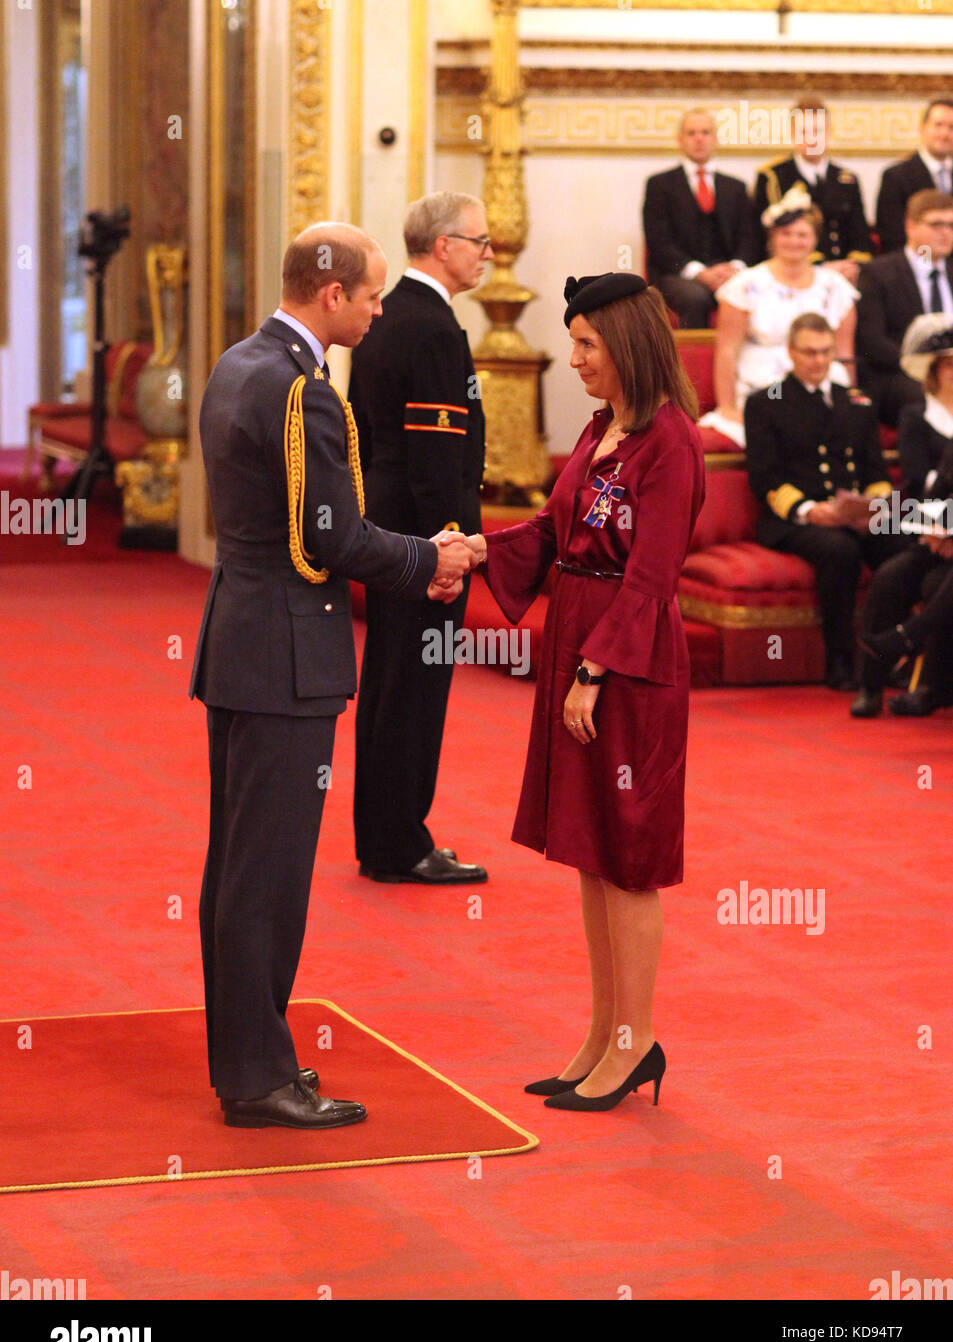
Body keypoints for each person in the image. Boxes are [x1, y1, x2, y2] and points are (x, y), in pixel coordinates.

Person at [189, 222, 472, 1128]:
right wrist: (426, 554)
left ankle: (249, 1058)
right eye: (373, 294)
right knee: (265, 874)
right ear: (332, 293)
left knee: (237, 868)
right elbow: (330, 538)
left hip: (238, 639)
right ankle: (258, 1077)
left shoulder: (238, 362)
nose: (381, 310)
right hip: (286, 654)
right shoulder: (302, 392)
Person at [460, 273, 706, 1112]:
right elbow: (551, 530)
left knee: (628, 856)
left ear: (629, 346)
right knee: (591, 848)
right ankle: (604, 1036)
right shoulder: (603, 428)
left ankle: (635, 1042)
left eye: (587, 346)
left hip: (627, 663)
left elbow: (652, 573)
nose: (573, 361)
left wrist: (594, 674)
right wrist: (475, 550)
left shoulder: (670, 442)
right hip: (577, 633)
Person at [348, 192, 491, 885]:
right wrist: (451, 548)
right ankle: (401, 844)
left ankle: (380, 837)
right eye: (479, 241)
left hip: (385, 527)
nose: (487, 254)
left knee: (386, 683)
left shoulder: (381, 315)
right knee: (413, 694)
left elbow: (364, 437)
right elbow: (439, 458)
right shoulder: (433, 328)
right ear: (442, 245)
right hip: (425, 541)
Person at [744, 313, 904, 691]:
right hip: (795, 518)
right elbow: (765, 478)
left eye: (825, 352)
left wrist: (876, 505)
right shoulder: (766, 402)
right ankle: (841, 660)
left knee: (902, 544)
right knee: (839, 550)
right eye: (809, 352)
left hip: (854, 513)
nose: (818, 361)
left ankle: (891, 655)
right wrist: (812, 511)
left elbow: (875, 471)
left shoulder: (857, 402)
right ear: (791, 353)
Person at [852, 314, 953, 717]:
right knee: (893, 576)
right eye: (947, 364)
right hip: (930, 525)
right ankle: (870, 685)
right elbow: (928, 482)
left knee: (938, 584)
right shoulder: (917, 414)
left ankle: (927, 681)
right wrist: (939, 529)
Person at [703, 187, 857, 448]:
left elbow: (844, 354)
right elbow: (727, 350)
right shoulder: (745, 284)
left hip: (822, 374)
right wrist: (728, 407)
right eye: (786, 234)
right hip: (765, 380)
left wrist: (849, 400)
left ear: (815, 239)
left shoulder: (836, 287)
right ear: (772, 237)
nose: (794, 241)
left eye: (802, 234)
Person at [642, 107, 756, 328]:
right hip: (677, 275)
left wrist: (736, 269)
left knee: (753, 292)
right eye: (691, 133)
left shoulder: (736, 187)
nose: (699, 139)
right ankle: (692, 363)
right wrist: (699, 272)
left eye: (705, 132)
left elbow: (750, 238)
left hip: (730, 273)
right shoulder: (659, 185)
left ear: (715, 139)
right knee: (695, 298)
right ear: (680, 140)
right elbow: (659, 241)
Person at [856, 189, 953, 427]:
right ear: (910, 227)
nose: (946, 233)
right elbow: (873, 343)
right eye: (936, 225)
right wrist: (926, 369)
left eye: (951, 225)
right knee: (922, 397)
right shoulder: (877, 274)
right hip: (899, 375)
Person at [751, 96, 872, 279]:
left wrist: (852, 265)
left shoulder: (847, 179)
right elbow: (768, 237)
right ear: (793, 134)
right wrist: (821, 267)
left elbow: (860, 235)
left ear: (829, 133)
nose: (812, 138)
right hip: (794, 270)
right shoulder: (772, 177)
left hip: (845, 272)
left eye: (818, 131)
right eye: (804, 132)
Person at [876, 97, 953, 254]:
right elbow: (892, 236)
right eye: (938, 125)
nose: (945, 133)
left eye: (951, 127)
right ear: (922, 128)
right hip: (918, 266)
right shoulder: (896, 176)